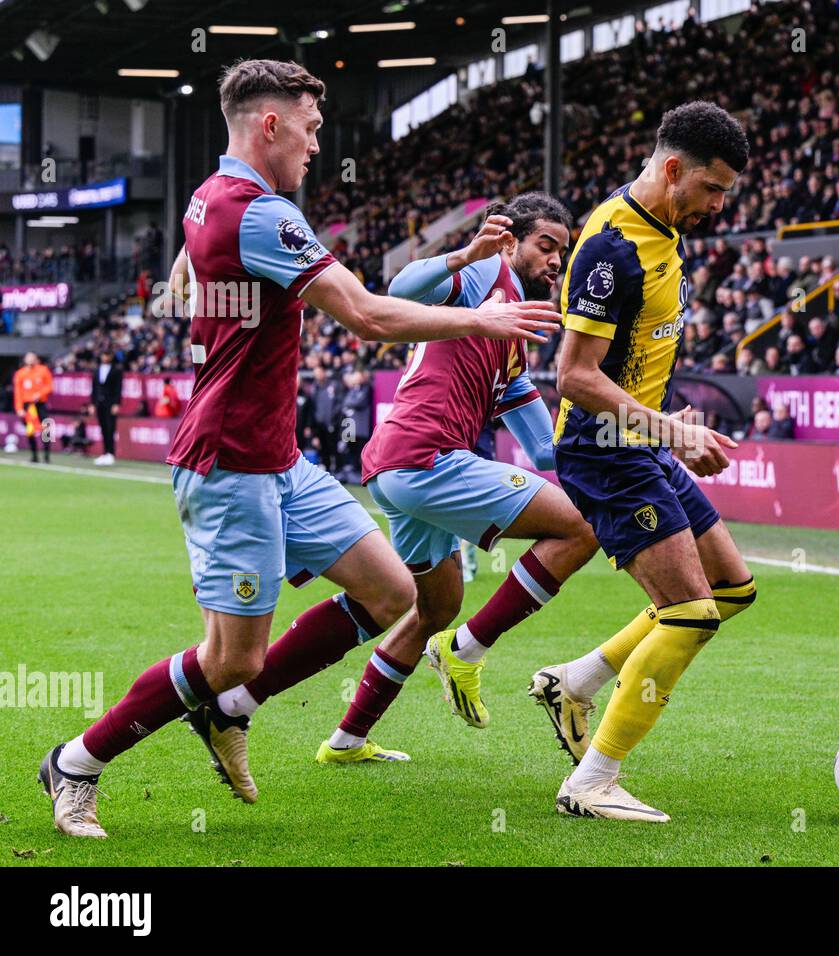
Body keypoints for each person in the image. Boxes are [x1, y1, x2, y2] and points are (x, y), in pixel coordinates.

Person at [38, 58, 561, 839]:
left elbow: (182, 280)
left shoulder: (207, 195)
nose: (318, 146)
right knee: (230, 659)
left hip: (280, 459)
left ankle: (231, 714)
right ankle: (77, 760)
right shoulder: (262, 213)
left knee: (395, 595)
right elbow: (369, 316)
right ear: (270, 125)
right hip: (229, 463)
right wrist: (478, 320)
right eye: (312, 130)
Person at [312, 193, 601, 762]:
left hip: (401, 470)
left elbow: (546, 448)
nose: (554, 262)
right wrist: (464, 254)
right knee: (581, 528)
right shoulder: (482, 275)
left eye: (561, 253)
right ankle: (467, 650)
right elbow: (397, 291)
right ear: (511, 238)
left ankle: (346, 740)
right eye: (546, 245)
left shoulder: (514, 330)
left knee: (435, 609)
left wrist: (635, 433)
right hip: (427, 457)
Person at [533, 102, 757, 822]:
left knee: (730, 590)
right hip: (603, 453)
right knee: (689, 615)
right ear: (671, 170)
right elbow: (573, 375)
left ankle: (577, 680)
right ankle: (592, 781)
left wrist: (666, 433)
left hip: (640, 447)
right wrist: (669, 430)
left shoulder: (664, 229)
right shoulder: (611, 247)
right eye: (713, 189)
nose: (718, 206)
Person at [12, 351, 52, 464]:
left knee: (46, 429)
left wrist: (39, 394)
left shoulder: (43, 370)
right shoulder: (20, 374)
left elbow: (49, 386)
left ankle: (46, 456)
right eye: (28, 358)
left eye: (32, 358)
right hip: (27, 406)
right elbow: (18, 393)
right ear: (25, 359)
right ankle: (34, 455)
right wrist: (19, 408)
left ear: (36, 359)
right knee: (30, 430)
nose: (30, 360)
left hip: (40, 404)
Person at [90, 350, 122, 466]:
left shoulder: (116, 370)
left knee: (110, 428)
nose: (105, 357)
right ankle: (105, 452)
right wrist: (92, 403)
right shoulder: (97, 369)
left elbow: (118, 388)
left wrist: (116, 403)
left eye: (107, 354)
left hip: (110, 402)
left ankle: (111, 453)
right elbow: (94, 387)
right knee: (103, 428)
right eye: (104, 354)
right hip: (99, 403)